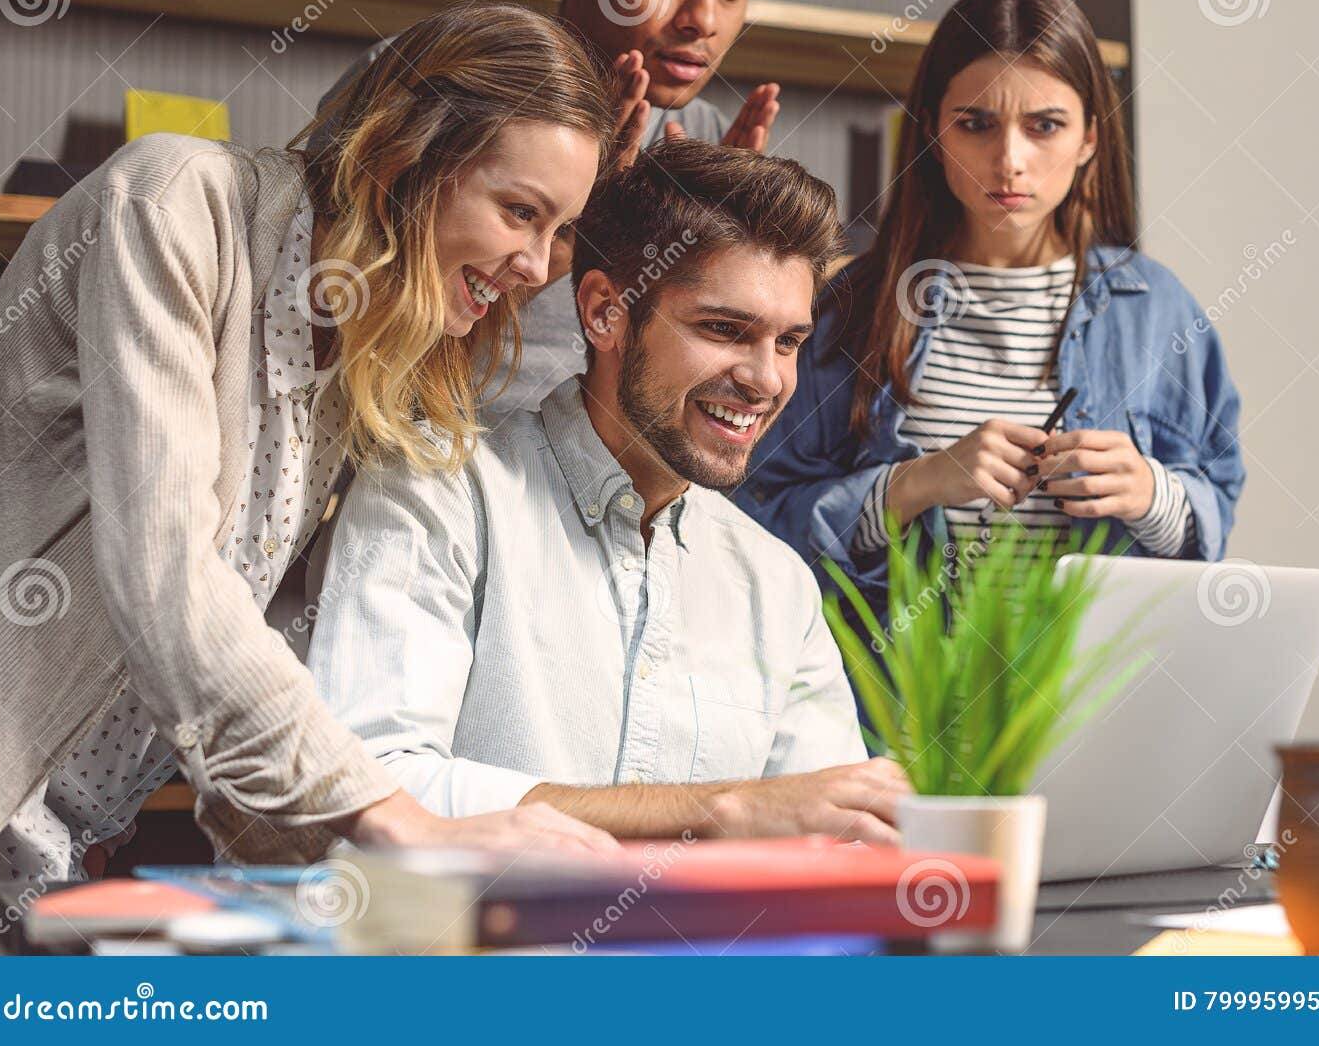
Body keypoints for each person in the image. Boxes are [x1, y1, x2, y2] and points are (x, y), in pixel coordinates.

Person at [0, 1, 625, 898]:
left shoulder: (365, 346)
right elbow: (167, 579)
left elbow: (264, 654)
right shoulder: (175, 203)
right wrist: (408, 824)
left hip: (47, 868)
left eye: (560, 232)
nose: (538, 265)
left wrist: (373, 881)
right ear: (405, 156)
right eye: (521, 211)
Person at [306, 140, 910, 845]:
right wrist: (723, 810)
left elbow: (825, 841)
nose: (766, 380)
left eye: (788, 342)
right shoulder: (438, 490)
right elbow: (372, 783)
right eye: (724, 329)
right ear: (604, 312)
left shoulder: (776, 585)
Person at [737, 0, 1245, 616]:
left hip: (1091, 704)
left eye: (1045, 126)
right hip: (891, 702)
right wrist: (910, 486)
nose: (1010, 161)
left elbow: (1213, 518)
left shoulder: (1159, 310)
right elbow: (754, 522)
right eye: (975, 124)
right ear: (932, 130)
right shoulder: (852, 305)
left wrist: (1154, 495)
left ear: (1089, 135)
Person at [312, 0, 781, 418]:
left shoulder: (704, 140)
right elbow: (329, 324)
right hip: (418, 454)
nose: (704, 19)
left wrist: (729, 259)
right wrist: (572, 239)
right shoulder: (444, 78)